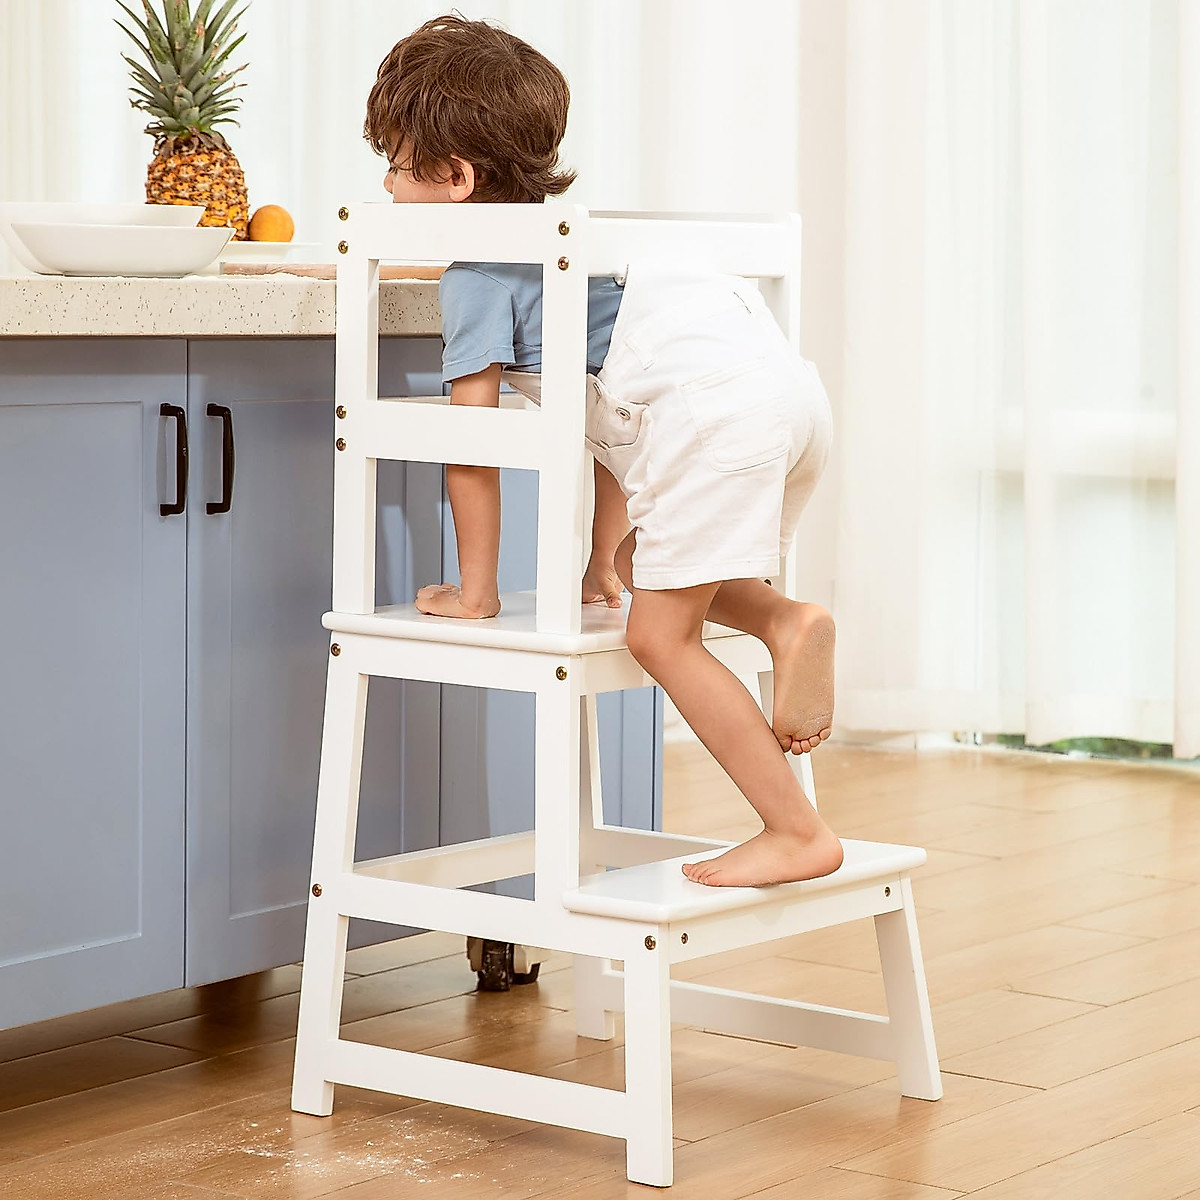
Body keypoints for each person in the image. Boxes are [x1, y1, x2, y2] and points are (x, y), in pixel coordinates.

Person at [364, 14, 843, 887]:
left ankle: (794, 829)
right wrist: (601, 560)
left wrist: (476, 593)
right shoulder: (585, 250)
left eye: (395, 164)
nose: (387, 185)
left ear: (455, 179)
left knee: (664, 638)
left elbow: (472, 449)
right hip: (783, 398)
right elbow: (612, 426)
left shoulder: (480, 278)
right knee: (671, 573)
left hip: (708, 426)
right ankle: (783, 618)